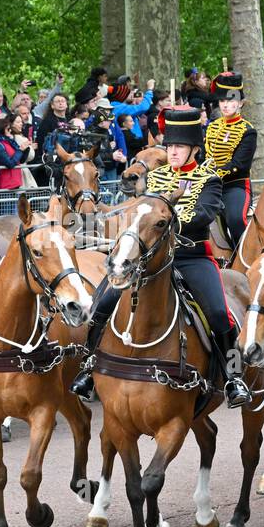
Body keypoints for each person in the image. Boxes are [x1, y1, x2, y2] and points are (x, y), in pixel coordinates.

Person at [69, 106, 251, 408]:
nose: (173, 151)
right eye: (170, 146)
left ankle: (233, 377)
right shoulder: (157, 177)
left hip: (191, 257)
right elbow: (141, 211)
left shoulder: (209, 178)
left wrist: (166, 218)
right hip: (149, 260)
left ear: (194, 147)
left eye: (179, 146)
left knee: (220, 315)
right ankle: (89, 367)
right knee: (102, 304)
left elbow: (204, 213)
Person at [203, 72, 257, 250]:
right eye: (222, 101)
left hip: (235, 186)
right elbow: (205, 156)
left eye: (231, 101)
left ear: (241, 103)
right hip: (210, 185)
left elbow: (240, 165)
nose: (225, 105)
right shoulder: (212, 127)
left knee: (235, 219)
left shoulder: (248, 130)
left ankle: (244, 253)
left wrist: (214, 173)